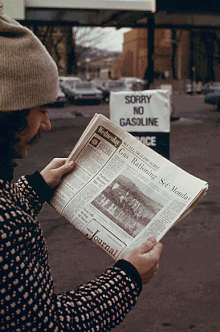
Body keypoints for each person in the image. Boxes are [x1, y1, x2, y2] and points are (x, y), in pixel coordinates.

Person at [0, 3, 163, 331]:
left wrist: (35, 187)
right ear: (11, 112)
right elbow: (48, 325)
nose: (46, 124)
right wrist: (127, 278)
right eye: (41, 110)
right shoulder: (12, 229)